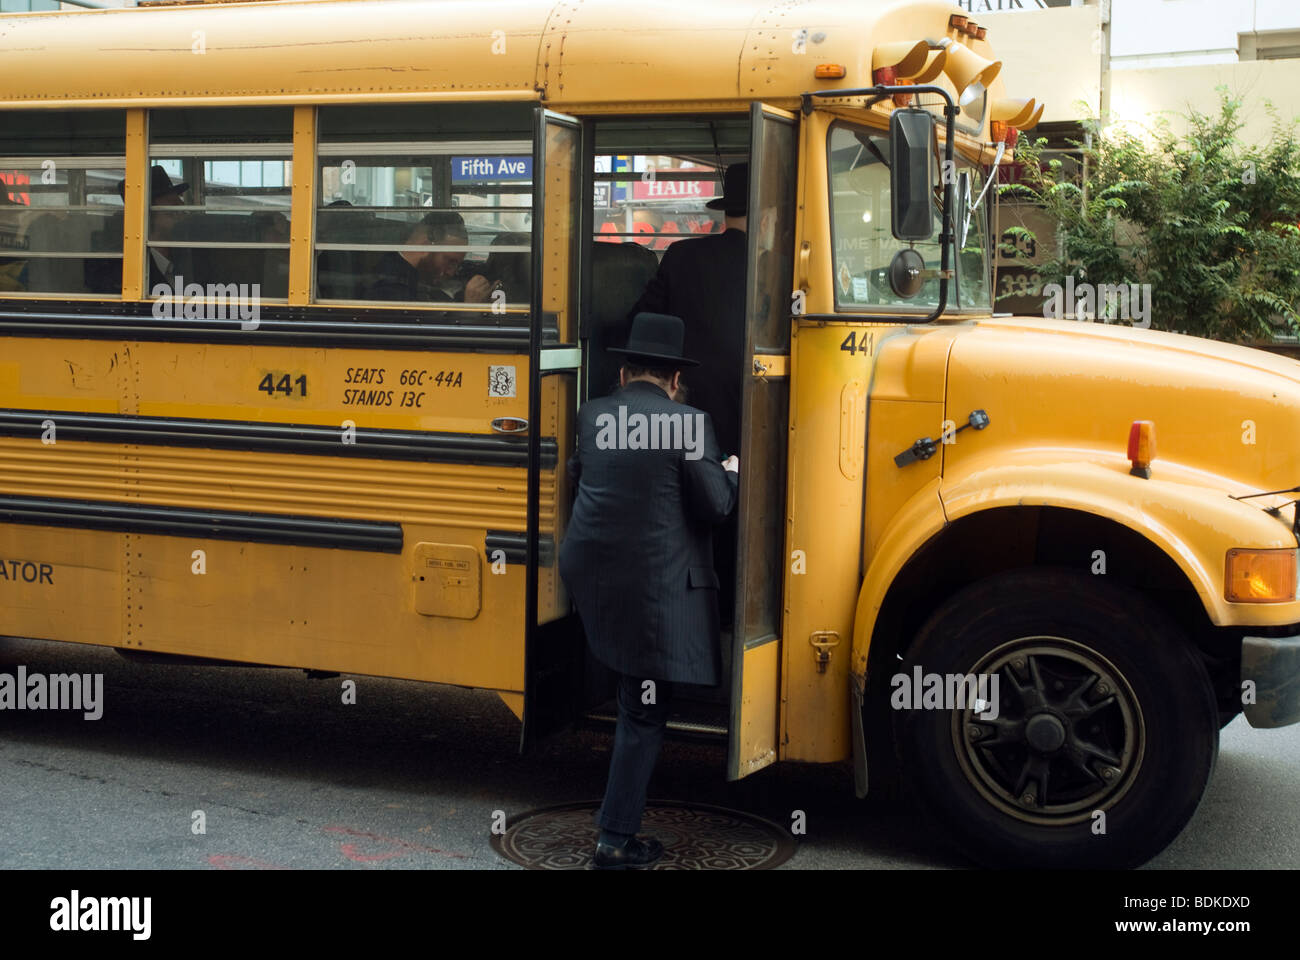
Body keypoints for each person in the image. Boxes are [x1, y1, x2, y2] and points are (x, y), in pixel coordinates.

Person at [558, 311, 740, 869]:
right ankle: (614, 841)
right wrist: (728, 469)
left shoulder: (592, 416)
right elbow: (716, 506)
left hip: (589, 575)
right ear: (676, 381)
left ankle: (617, 826)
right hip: (651, 589)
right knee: (644, 709)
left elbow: (579, 475)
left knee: (636, 695)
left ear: (623, 376)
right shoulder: (687, 425)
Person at [630, 161, 749, 627]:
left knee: (696, 521)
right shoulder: (779, 261)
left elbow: (640, 325)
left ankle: (696, 617)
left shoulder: (680, 257)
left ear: (725, 213)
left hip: (690, 420)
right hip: (760, 418)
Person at [366, 211, 492, 304]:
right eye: (450, 261)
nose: (451, 272)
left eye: (456, 265)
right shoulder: (390, 286)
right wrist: (470, 308)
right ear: (426, 246)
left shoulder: (410, 276)